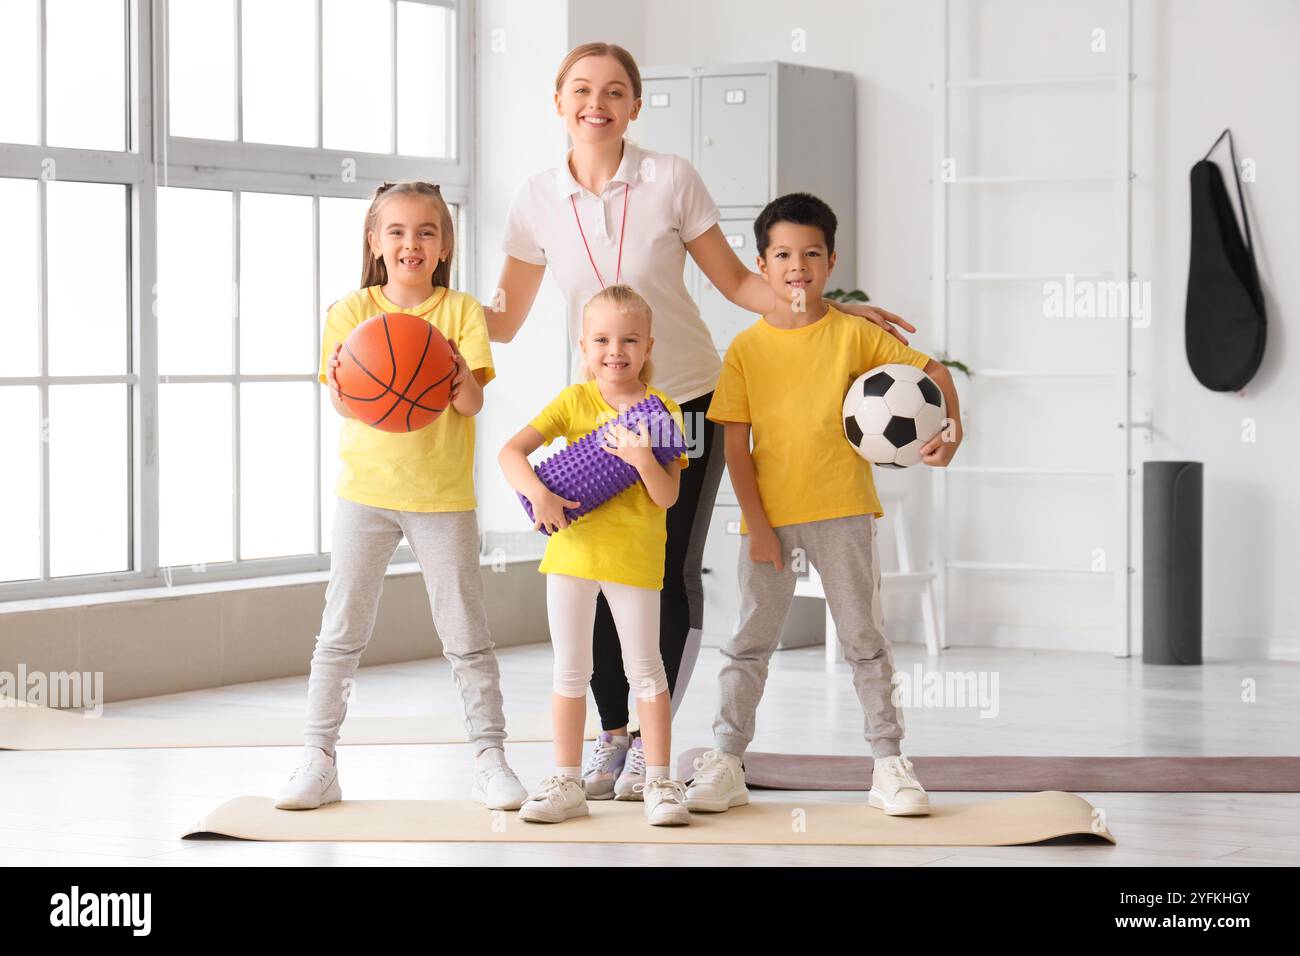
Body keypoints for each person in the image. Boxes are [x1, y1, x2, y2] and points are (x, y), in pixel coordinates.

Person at [485, 41, 919, 800]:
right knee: (592, 565)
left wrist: (820, 308)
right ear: (558, 102)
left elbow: (735, 281)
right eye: (581, 90)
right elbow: (506, 318)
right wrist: (420, 312)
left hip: (682, 399)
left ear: (634, 105)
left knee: (665, 564)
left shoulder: (670, 178)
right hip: (599, 403)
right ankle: (611, 737)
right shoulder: (535, 199)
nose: (597, 102)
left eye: (615, 90)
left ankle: (658, 740)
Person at [684, 193, 964, 817]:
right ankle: (727, 761)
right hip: (770, 522)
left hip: (843, 512)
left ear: (831, 261)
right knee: (750, 642)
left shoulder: (854, 335)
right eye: (782, 254)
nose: (797, 266)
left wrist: (953, 430)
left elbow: (935, 374)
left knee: (865, 639)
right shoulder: (746, 350)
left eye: (811, 253)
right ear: (761, 264)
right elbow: (735, 445)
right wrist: (757, 526)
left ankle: (889, 764)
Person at [275, 181, 528, 813]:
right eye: (396, 231)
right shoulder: (349, 313)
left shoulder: (462, 312)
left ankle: (490, 759)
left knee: (467, 634)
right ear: (374, 241)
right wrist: (353, 377)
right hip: (365, 494)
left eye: (425, 232)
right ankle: (318, 758)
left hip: (442, 498)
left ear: (444, 246)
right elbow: (343, 403)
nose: (410, 243)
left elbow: (471, 402)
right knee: (340, 632)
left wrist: (444, 364)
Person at [498, 285, 691, 826]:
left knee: (646, 672)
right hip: (571, 557)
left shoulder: (663, 411)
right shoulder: (572, 403)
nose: (615, 350)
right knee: (569, 670)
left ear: (648, 345)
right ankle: (565, 779)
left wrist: (641, 458)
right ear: (583, 346)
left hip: (633, 561)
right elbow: (510, 452)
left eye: (629, 339)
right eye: (602, 339)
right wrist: (536, 492)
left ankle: (658, 780)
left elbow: (668, 496)